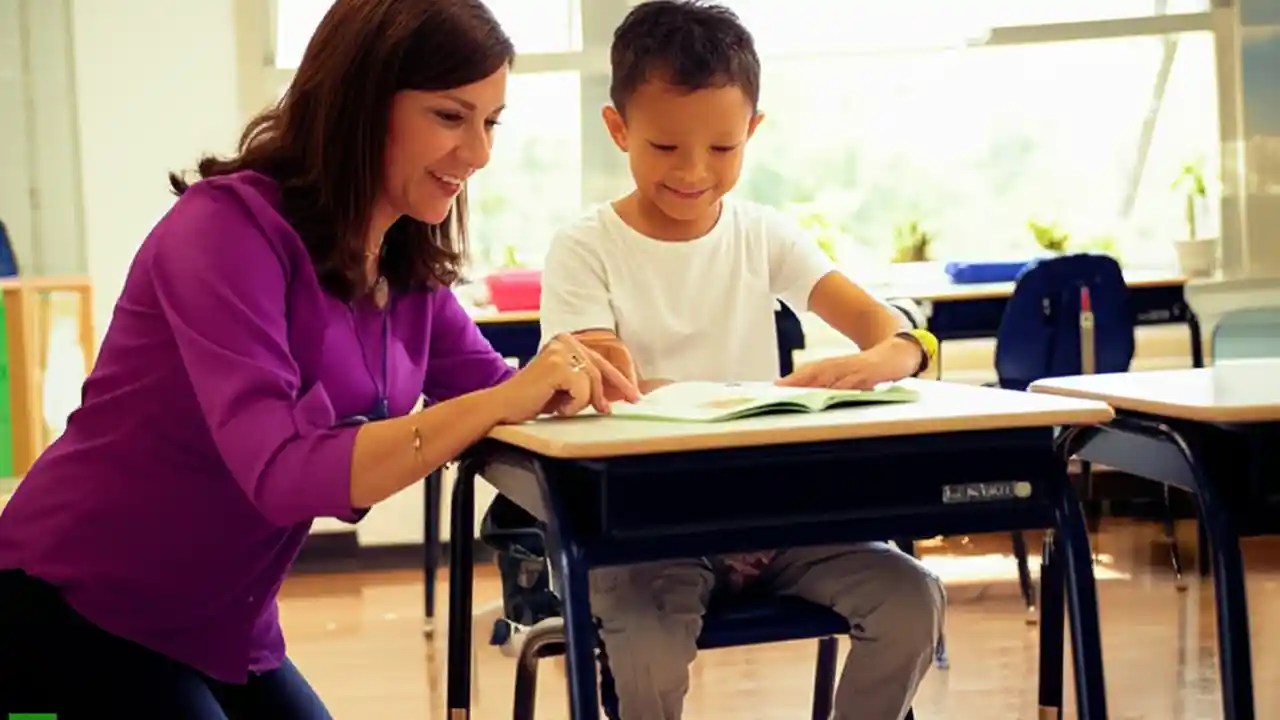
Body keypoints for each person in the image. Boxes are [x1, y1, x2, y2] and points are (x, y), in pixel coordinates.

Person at [0, 1, 637, 718]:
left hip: (223, 620)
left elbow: (502, 390)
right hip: (81, 600)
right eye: (450, 117)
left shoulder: (403, 266)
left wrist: (583, 378)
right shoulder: (223, 231)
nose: (480, 153)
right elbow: (279, 472)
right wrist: (502, 399)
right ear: (362, 101)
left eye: (490, 122)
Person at [536, 2, 945, 718]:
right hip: (644, 532)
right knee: (649, 655)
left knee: (912, 599)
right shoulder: (585, 248)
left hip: (772, 521)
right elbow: (607, 380)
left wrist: (898, 352)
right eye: (665, 148)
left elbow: (879, 322)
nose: (694, 173)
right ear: (618, 128)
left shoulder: (763, 234)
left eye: (723, 149)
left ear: (752, 131)